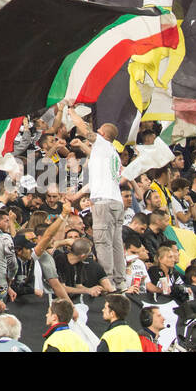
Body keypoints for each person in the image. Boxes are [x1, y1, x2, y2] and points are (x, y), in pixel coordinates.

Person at [86, 119, 125, 289]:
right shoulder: (112, 153)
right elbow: (96, 181)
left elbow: (85, 131)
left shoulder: (101, 143)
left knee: (103, 242)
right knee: (116, 242)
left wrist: (70, 109)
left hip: (104, 202)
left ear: (102, 134)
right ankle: (120, 280)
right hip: (116, 201)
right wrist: (78, 195)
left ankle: (107, 281)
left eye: (99, 130)